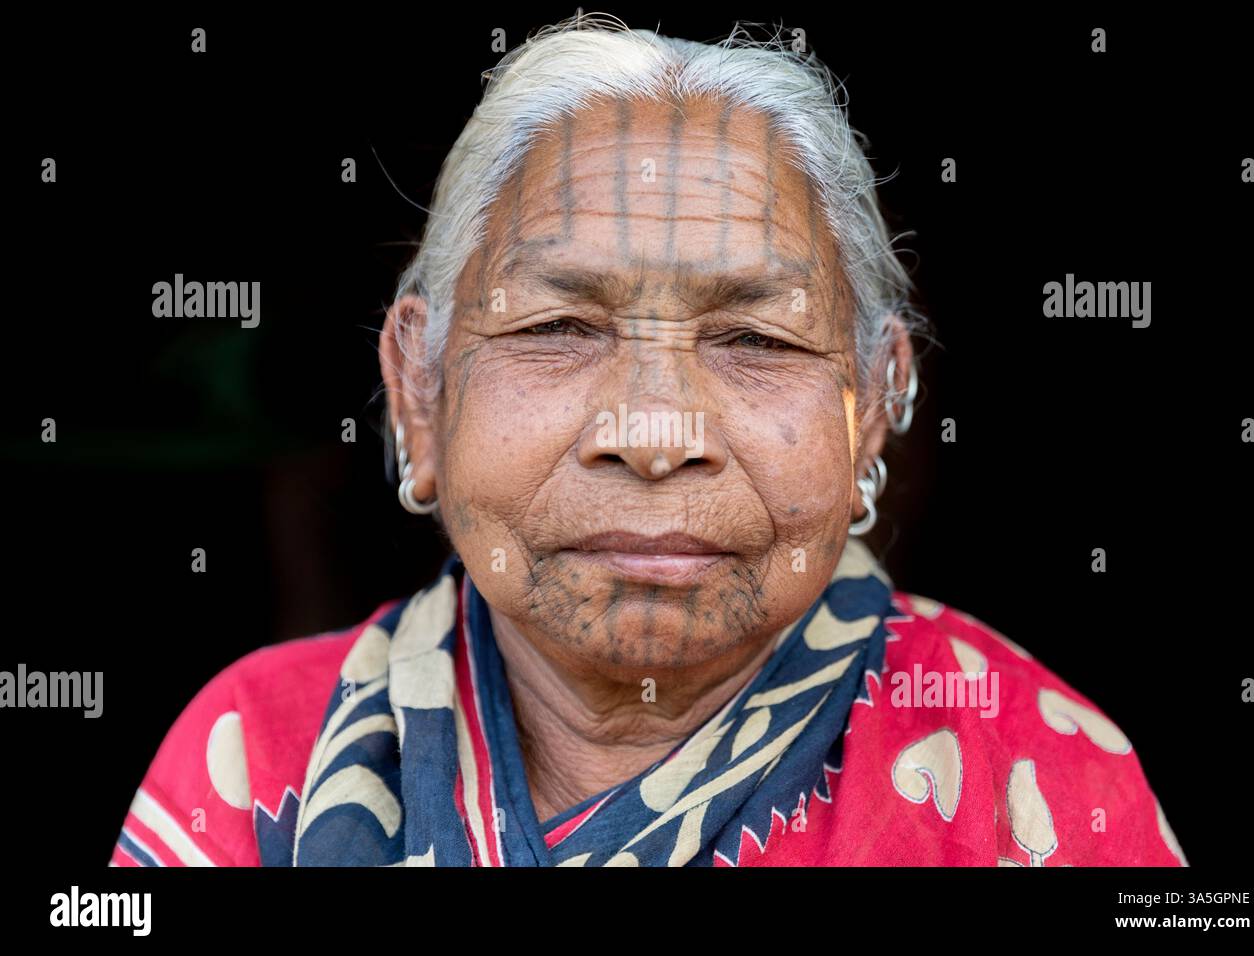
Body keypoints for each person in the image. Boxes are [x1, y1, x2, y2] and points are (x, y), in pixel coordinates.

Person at [110, 14, 1185, 867]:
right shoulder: (253, 750)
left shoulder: (1031, 771)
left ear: (877, 404)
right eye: (559, 328)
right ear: (420, 393)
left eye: (755, 336)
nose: (653, 434)